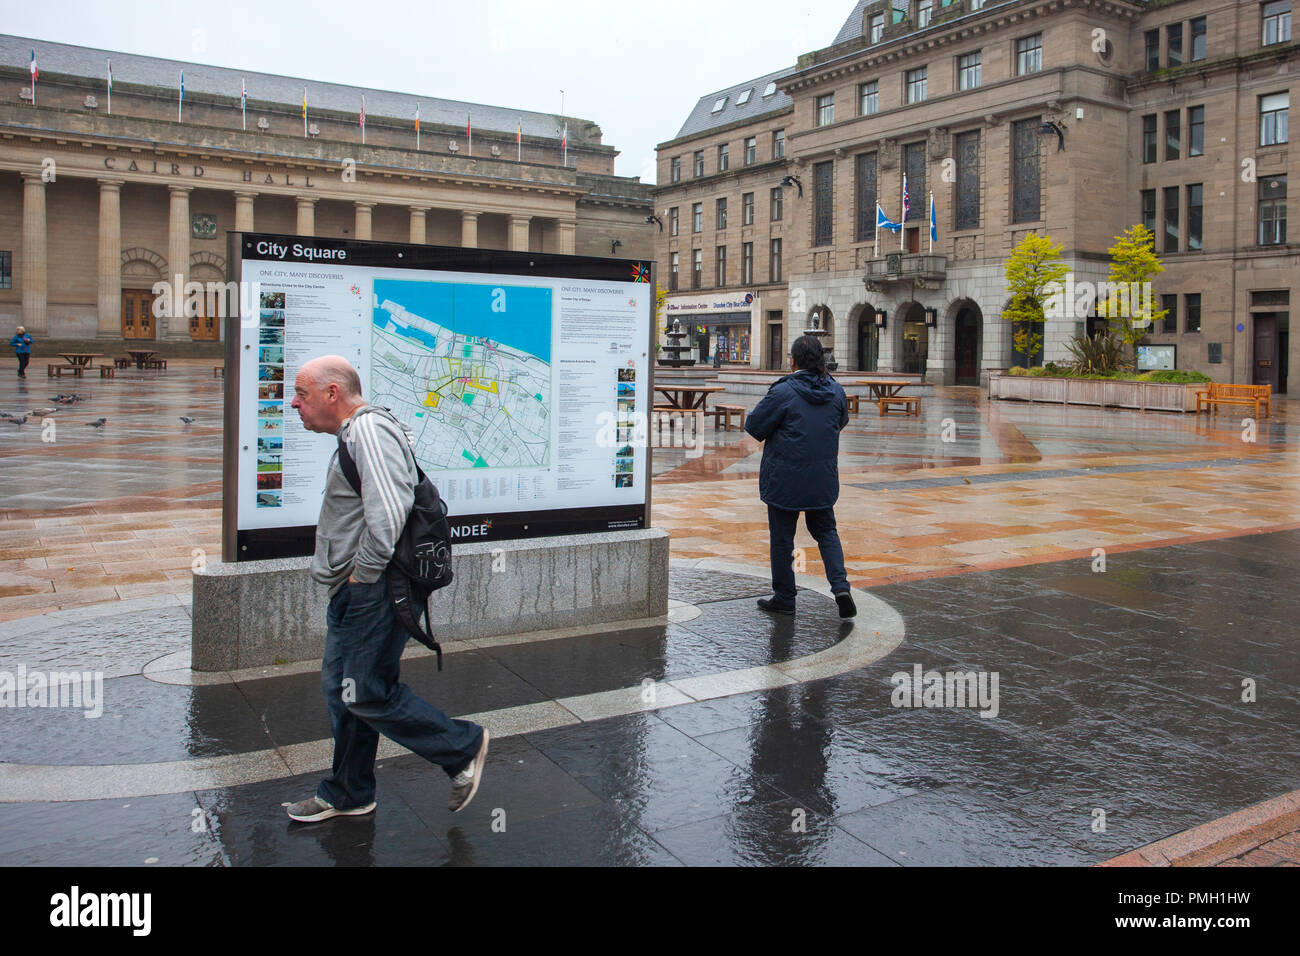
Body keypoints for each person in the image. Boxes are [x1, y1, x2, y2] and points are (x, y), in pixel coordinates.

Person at [286, 355, 488, 823]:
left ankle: (462, 747)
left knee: (365, 692)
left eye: (303, 394)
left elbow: (390, 510)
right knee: (344, 691)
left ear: (333, 393)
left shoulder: (368, 432)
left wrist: (362, 576)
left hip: (373, 589)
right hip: (359, 588)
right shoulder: (357, 433)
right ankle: (349, 791)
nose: (295, 403)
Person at [744, 334, 856, 619]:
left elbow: (755, 425)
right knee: (826, 532)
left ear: (792, 361)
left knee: (782, 538)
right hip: (822, 479)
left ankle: (785, 597)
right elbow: (840, 422)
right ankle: (841, 587)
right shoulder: (836, 391)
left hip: (784, 479)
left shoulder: (783, 391)